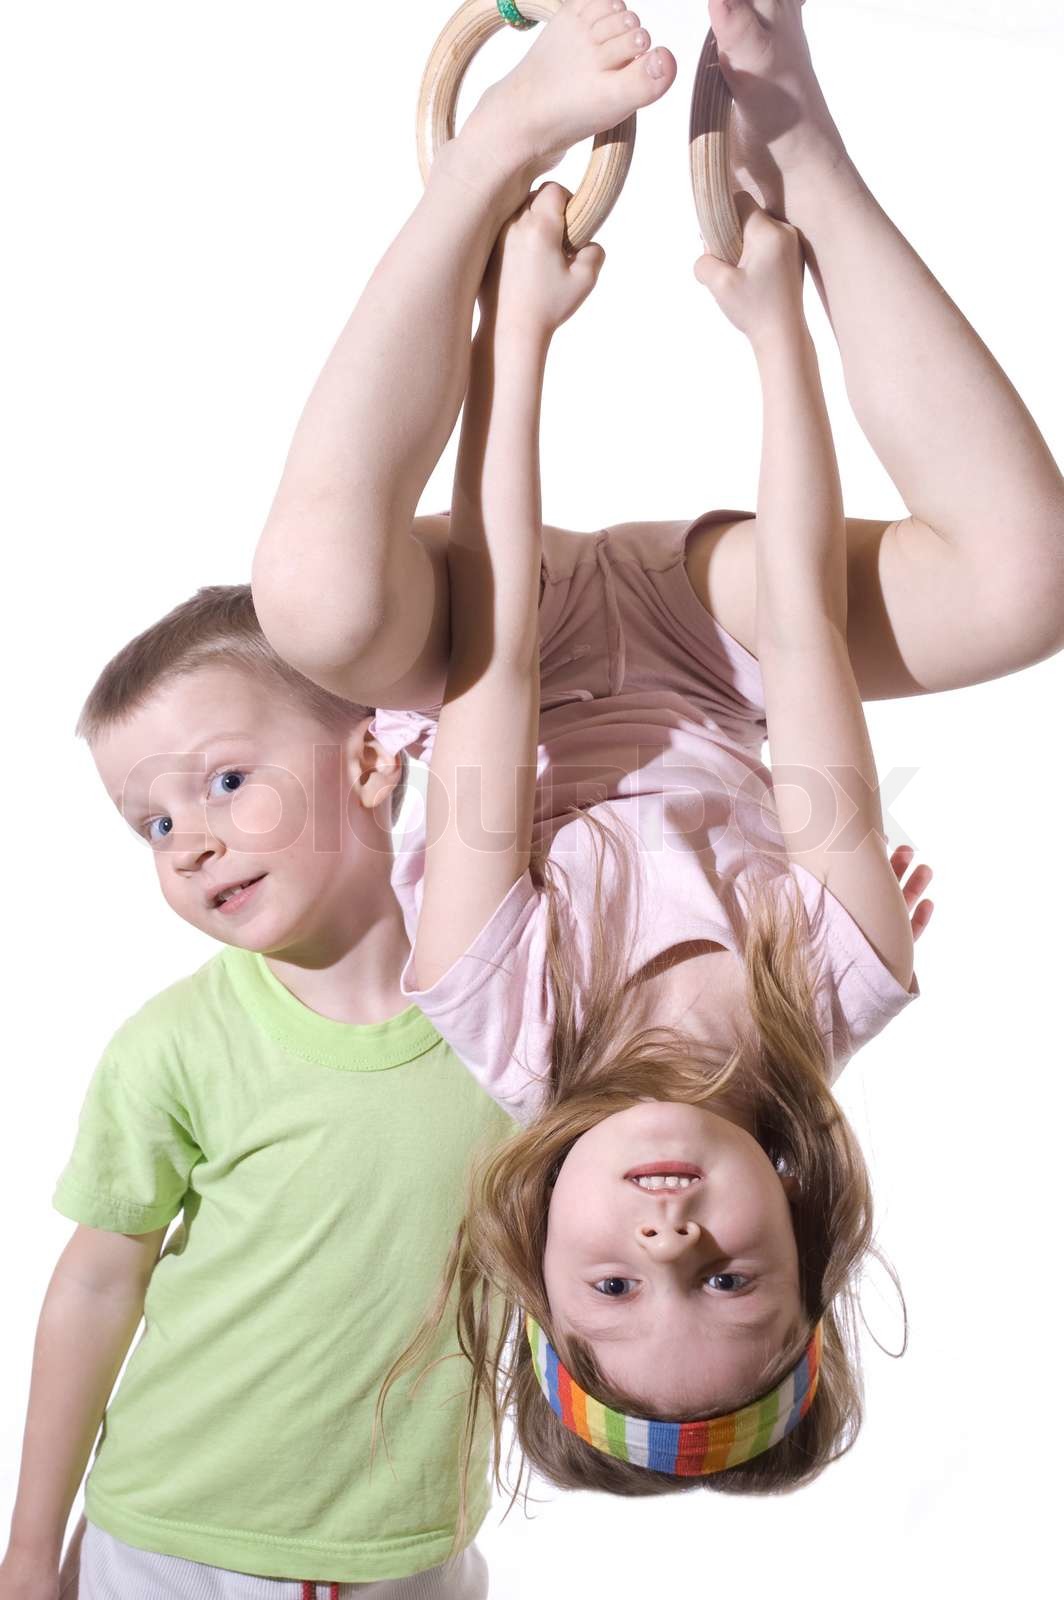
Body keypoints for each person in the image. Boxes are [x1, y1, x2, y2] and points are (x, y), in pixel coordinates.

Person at [251, 0, 1062, 1514]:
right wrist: (777, 333)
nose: (669, 1244)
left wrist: (516, 330)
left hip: (515, 634)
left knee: (315, 604)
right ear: (809, 1236)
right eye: (732, 1280)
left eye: (614, 1292)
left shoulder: (491, 1012)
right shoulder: (842, 983)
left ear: (538, 1253)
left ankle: (482, 155)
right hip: (727, 632)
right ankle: (806, 157)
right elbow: (812, 653)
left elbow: (486, 679)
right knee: (1028, 583)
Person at [0, 592, 512, 1599]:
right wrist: (27, 1549)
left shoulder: (511, 1017)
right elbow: (97, 1286)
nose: (188, 843)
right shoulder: (174, 1046)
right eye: (155, 821)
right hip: (167, 1545)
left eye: (227, 781)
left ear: (369, 760)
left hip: (411, 1551)